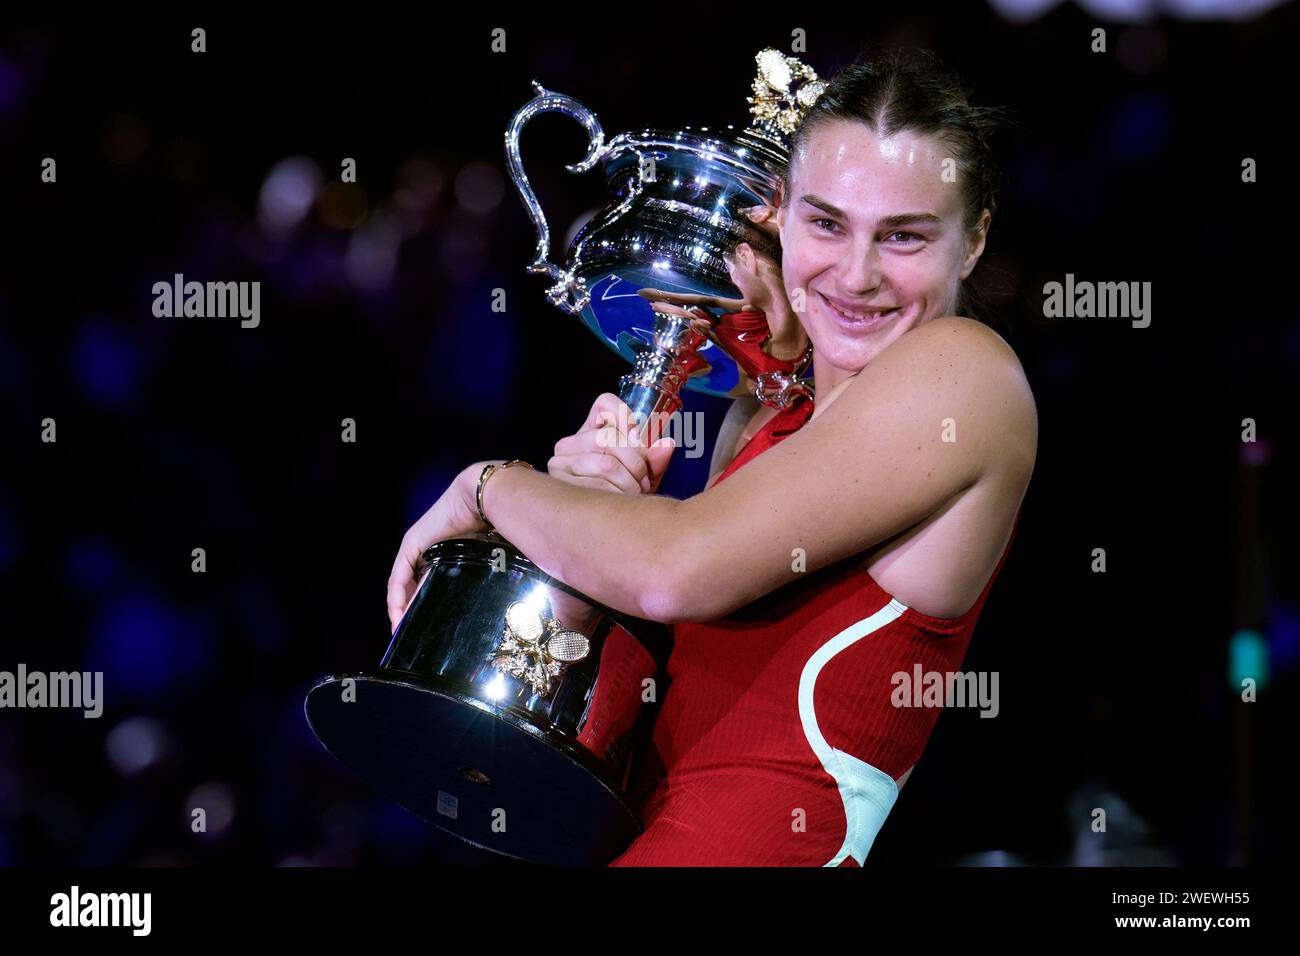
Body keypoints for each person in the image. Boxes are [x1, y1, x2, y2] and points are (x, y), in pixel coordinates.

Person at [386, 49, 1037, 866]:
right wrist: (588, 526)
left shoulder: (965, 372)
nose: (858, 274)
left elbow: (675, 570)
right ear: (779, 214)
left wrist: (486, 487)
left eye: (903, 236)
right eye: (826, 223)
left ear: (973, 241)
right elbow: (655, 687)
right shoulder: (765, 413)